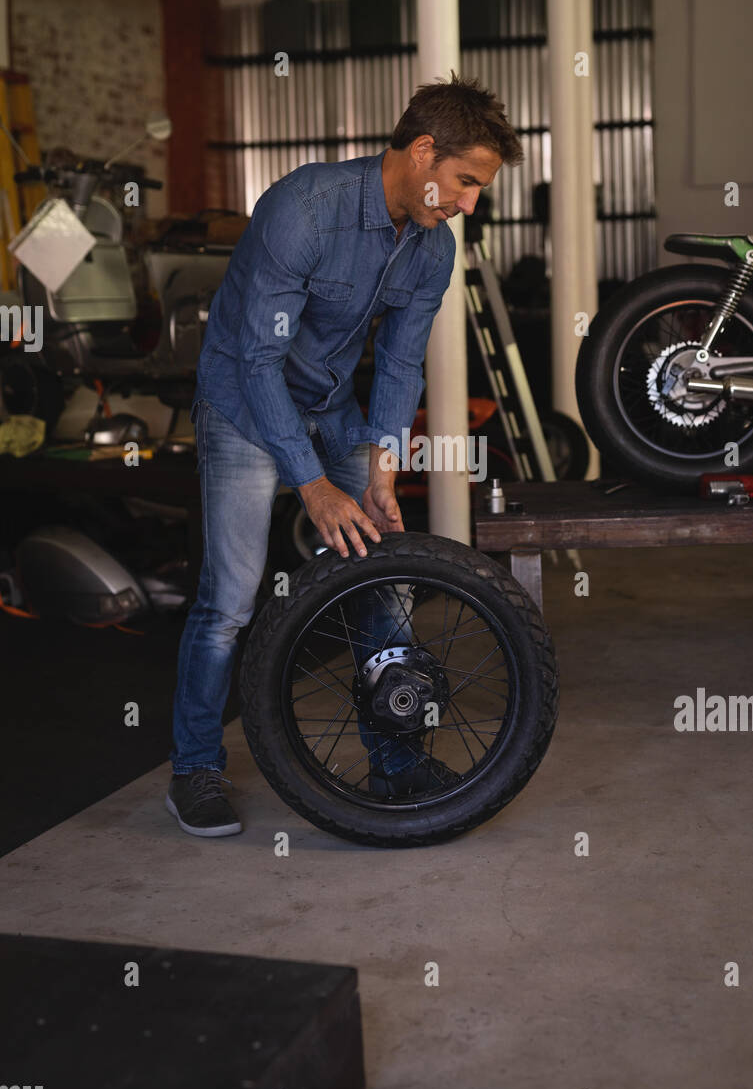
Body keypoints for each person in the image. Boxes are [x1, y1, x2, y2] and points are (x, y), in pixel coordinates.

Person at [166, 70, 523, 836]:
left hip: (330, 402)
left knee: (385, 572)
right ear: (423, 152)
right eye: (465, 182)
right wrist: (314, 486)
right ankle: (194, 769)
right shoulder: (305, 209)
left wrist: (380, 465)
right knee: (230, 598)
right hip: (242, 400)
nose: (469, 204)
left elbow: (398, 364)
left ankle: (394, 762)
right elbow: (259, 363)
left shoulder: (432, 246)